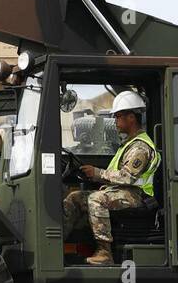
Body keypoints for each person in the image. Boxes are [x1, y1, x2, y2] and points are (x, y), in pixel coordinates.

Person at [63, 90, 160, 266]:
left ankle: (104, 252)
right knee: (75, 198)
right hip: (123, 192)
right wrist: (93, 175)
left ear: (131, 117)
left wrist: (98, 173)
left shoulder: (140, 147)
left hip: (138, 196)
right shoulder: (128, 144)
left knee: (96, 199)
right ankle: (58, 242)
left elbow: (127, 177)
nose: (115, 120)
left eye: (118, 116)